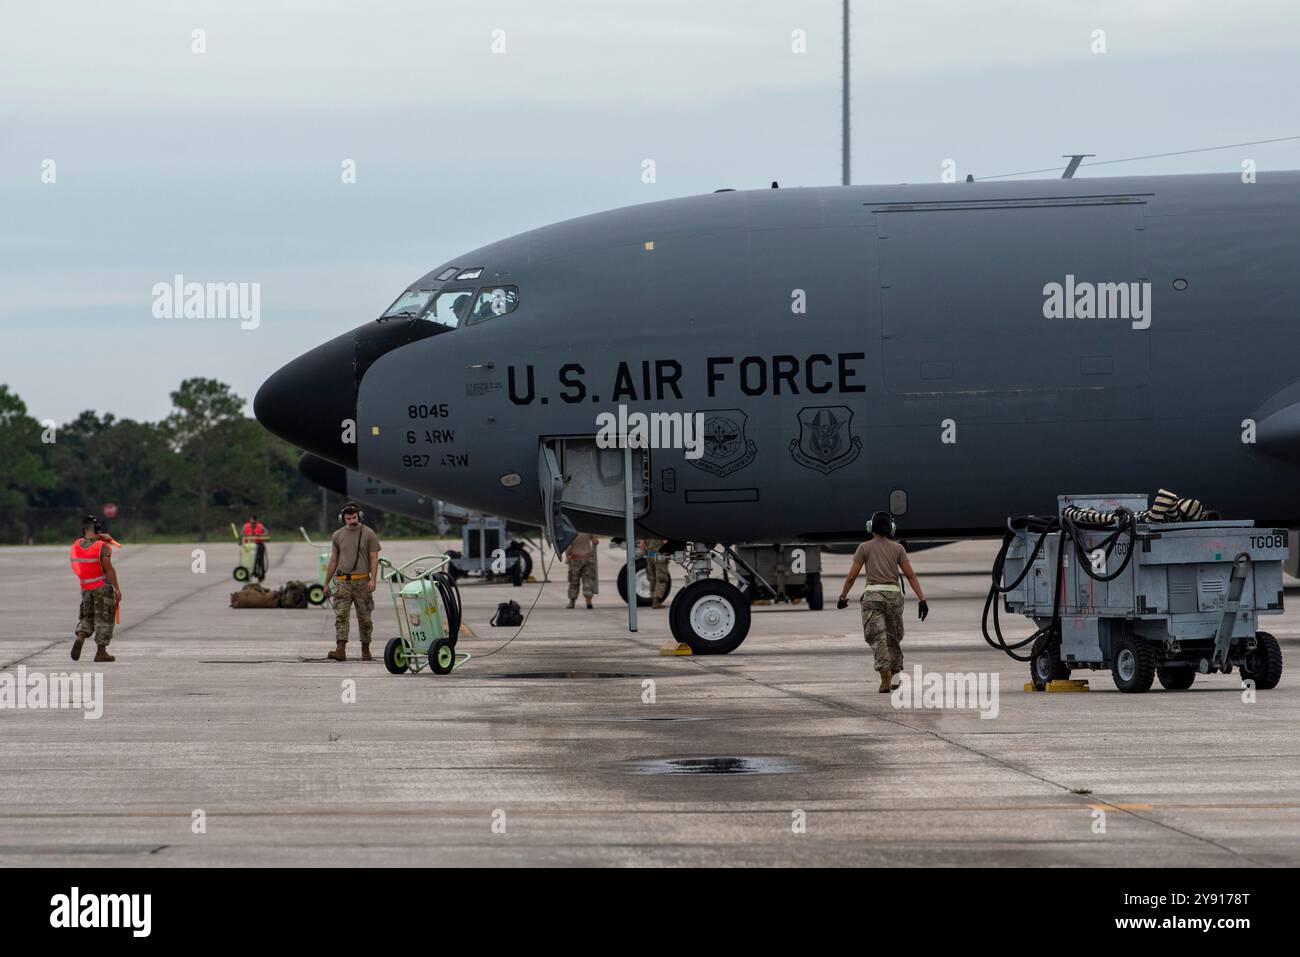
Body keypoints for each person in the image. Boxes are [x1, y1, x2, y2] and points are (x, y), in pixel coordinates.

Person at [837, 512, 929, 693]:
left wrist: (843, 597)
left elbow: (852, 576)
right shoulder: (898, 549)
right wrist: (922, 600)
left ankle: (884, 676)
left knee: (877, 638)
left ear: (870, 528)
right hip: (894, 598)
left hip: (873, 597)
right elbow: (910, 576)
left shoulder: (863, 548)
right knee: (893, 638)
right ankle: (895, 677)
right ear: (891, 529)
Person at [323, 503, 381, 661]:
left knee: (365, 618)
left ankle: (366, 650)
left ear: (359, 516)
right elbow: (333, 560)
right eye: (348, 518)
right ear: (343, 519)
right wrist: (326, 582)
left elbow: (374, 558)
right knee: (341, 616)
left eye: (354, 517)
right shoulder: (337, 535)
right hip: (342, 582)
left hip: (362, 581)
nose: (352, 520)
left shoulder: (369, 533)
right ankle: (340, 650)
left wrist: (374, 580)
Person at [70, 515, 122, 663]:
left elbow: (87, 546)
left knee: (88, 616)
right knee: (104, 619)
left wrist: (99, 537)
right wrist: (117, 589)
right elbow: (109, 570)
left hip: (86, 588)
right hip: (101, 588)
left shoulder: (76, 545)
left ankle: (81, 635)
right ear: (98, 529)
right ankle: (101, 652)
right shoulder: (102, 547)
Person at [565, 532, 599, 609]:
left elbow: (568, 546)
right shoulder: (588, 528)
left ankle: (572, 602)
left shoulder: (571, 530)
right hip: (587, 558)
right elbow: (595, 541)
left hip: (575, 559)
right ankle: (588, 601)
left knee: (574, 582)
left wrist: (567, 557)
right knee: (588, 581)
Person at [641, 538, 671, 609]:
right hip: (659, 555)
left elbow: (642, 544)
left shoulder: (647, 529)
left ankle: (653, 600)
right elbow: (665, 542)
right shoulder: (660, 530)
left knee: (652, 579)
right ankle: (656, 602)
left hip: (650, 555)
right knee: (661, 578)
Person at [242, 514, 269, 581]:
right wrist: (248, 535)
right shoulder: (246, 526)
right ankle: (248, 574)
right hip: (248, 545)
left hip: (259, 544)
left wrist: (260, 534)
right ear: (250, 521)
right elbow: (242, 534)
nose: (253, 524)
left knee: (260, 560)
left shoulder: (260, 526)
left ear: (256, 522)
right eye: (252, 522)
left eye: (254, 523)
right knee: (247, 561)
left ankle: (261, 575)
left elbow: (266, 532)